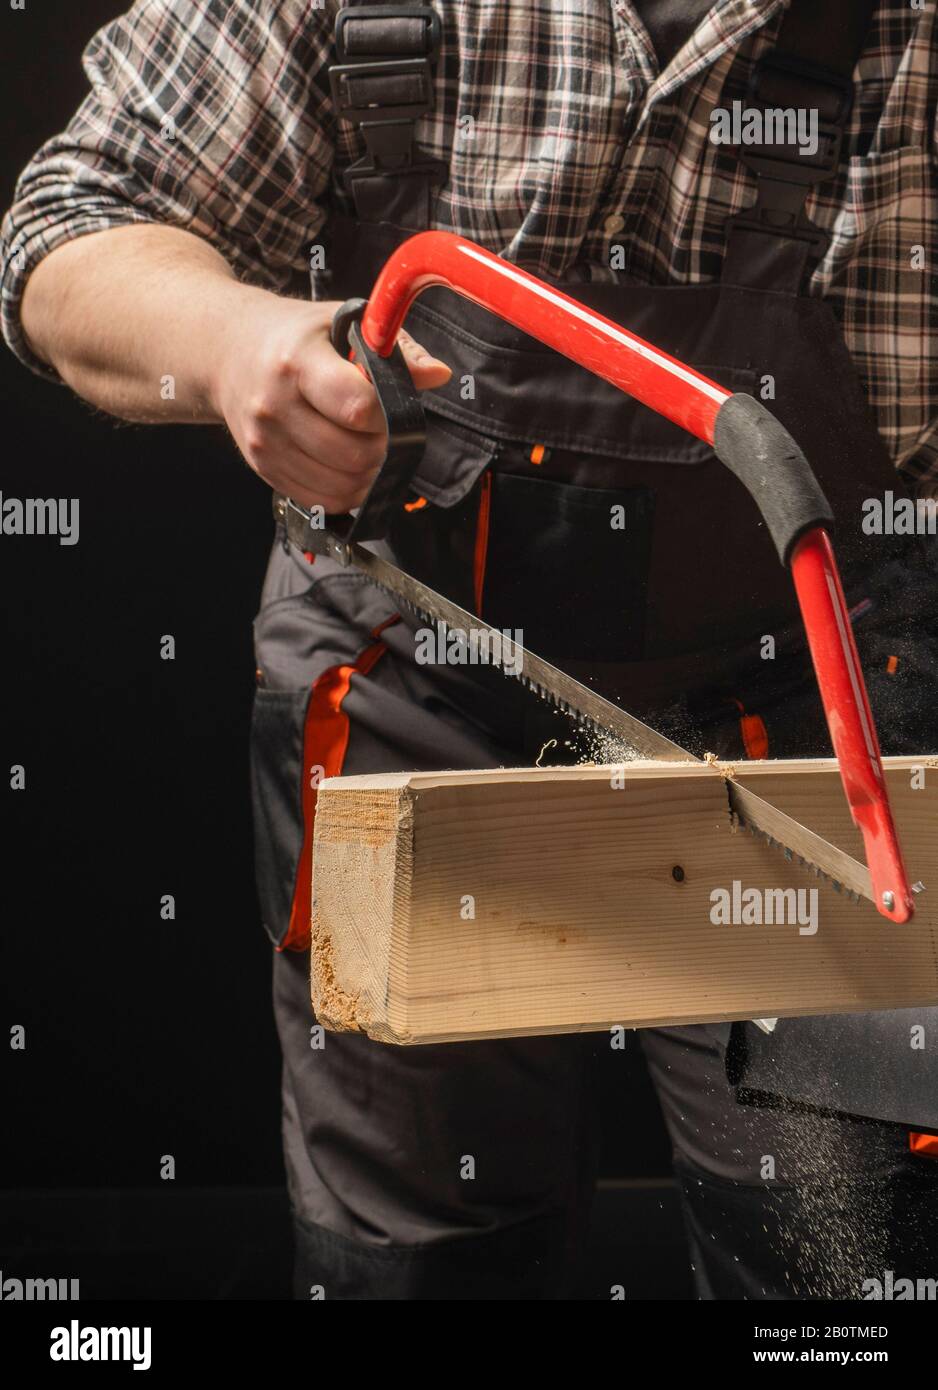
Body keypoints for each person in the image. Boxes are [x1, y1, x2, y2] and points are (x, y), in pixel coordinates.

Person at [3, 0, 937, 1300]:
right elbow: (71, 230)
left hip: (783, 729)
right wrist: (229, 345)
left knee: (839, 1268)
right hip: (402, 691)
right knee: (419, 1262)